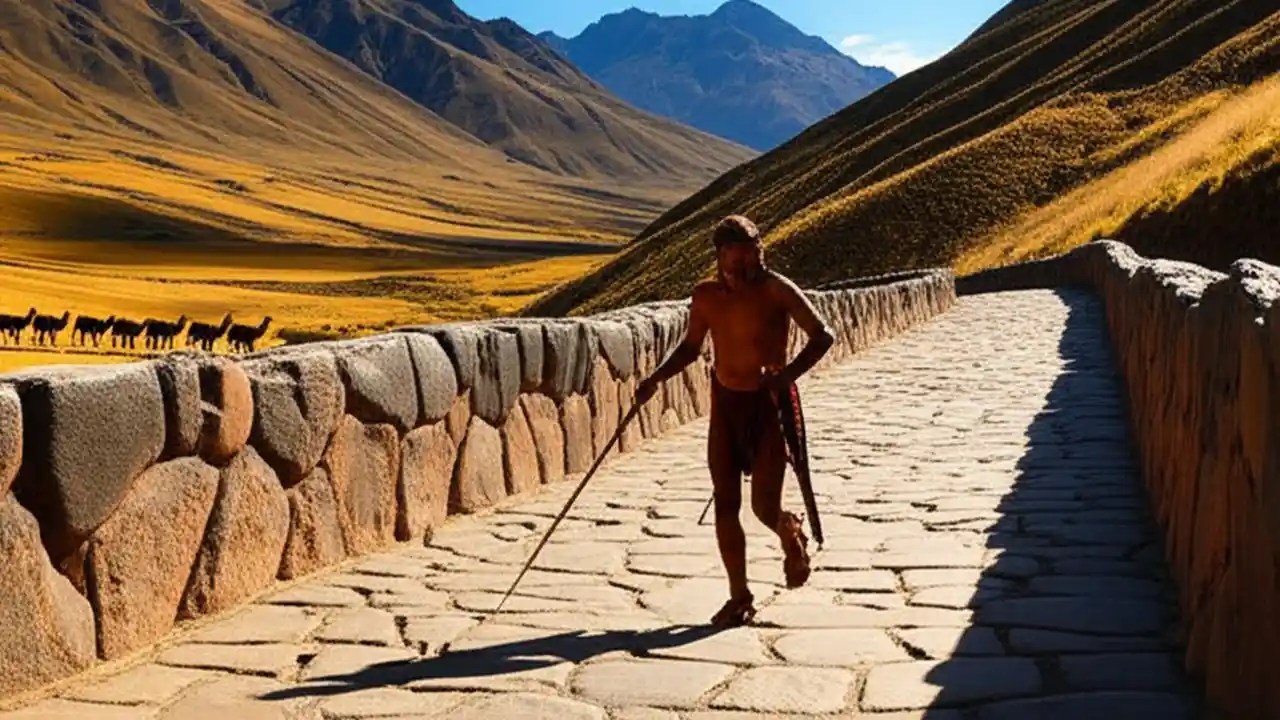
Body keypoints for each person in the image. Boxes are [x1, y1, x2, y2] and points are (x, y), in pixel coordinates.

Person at [635, 214, 834, 628]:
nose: (746, 267)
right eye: (736, 259)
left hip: (768, 408)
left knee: (763, 507)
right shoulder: (706, 296)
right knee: (726, 503)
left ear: (762, 252)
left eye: (752, 256)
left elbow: (822, 334)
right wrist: (655, 379)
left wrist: (787, 375)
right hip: (726, 407)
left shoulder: (778, 290)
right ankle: (739, 596)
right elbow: (691, 348)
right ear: (719, 258)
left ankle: (788, 529)